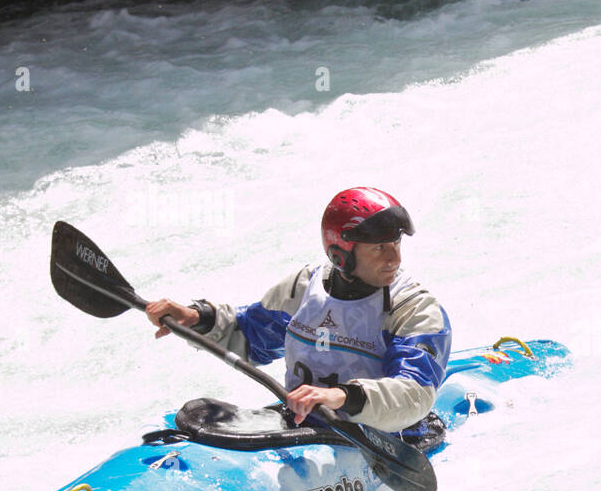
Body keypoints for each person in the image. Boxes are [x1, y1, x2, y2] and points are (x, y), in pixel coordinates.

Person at [144, 187, 452, 448]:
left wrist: (342, 397)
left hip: (387, 435)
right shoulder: (305, 288)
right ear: (340, 252)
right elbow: (251, 335)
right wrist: (197, 318)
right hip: (308, 425)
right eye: (380, 248)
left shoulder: (413, 307)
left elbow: (415, 392)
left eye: (396, 244)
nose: (394, 259)